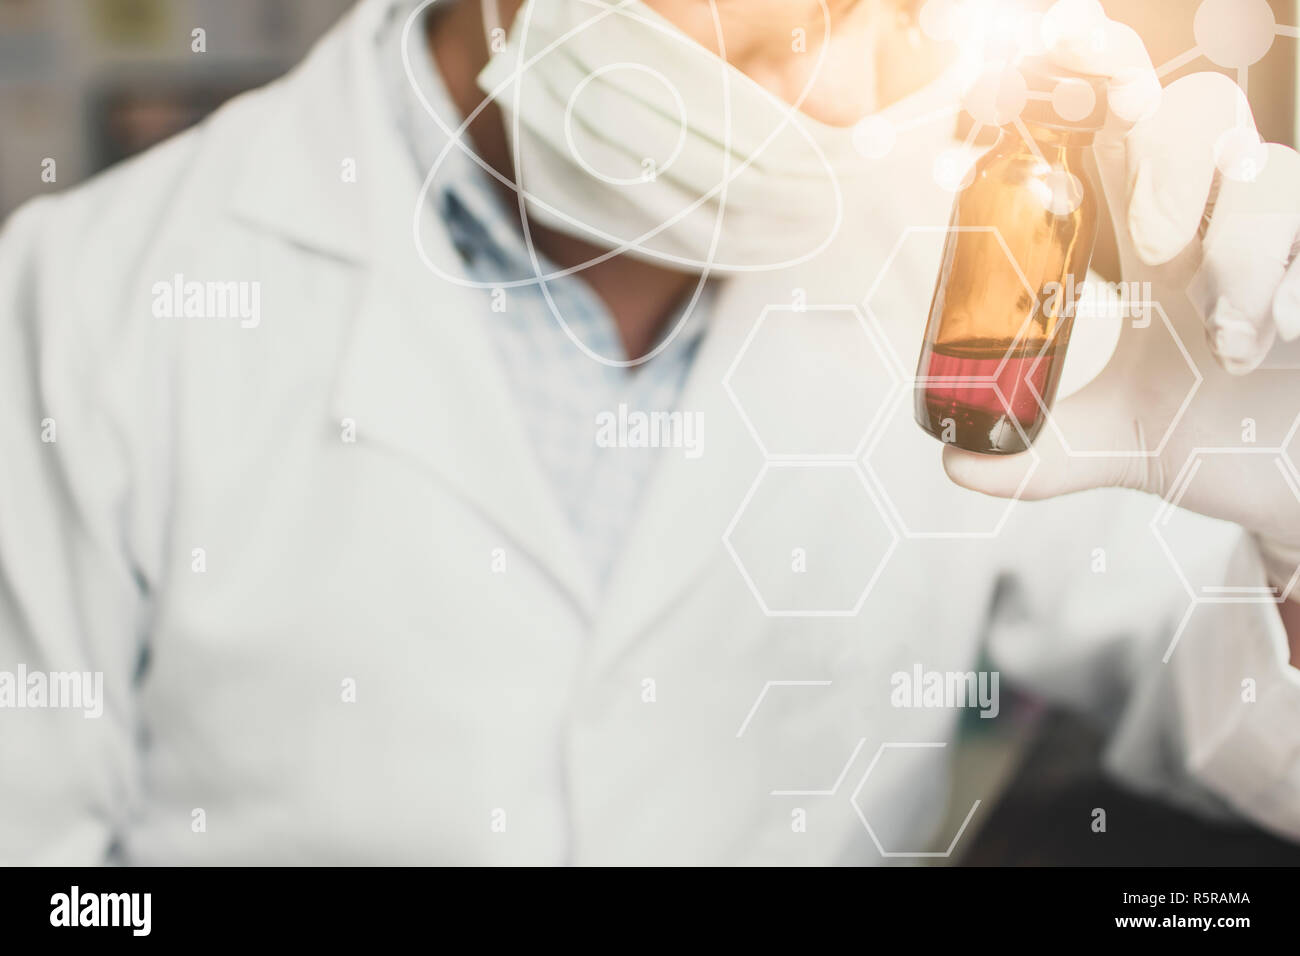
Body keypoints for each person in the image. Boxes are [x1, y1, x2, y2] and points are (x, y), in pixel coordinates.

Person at [1, 0, 1297, 865]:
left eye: (886, 15)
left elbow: (1247, 740)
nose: (832, 96)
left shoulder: (949, 260)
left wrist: (1284, 509)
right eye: (786, 25)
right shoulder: (89, 297)